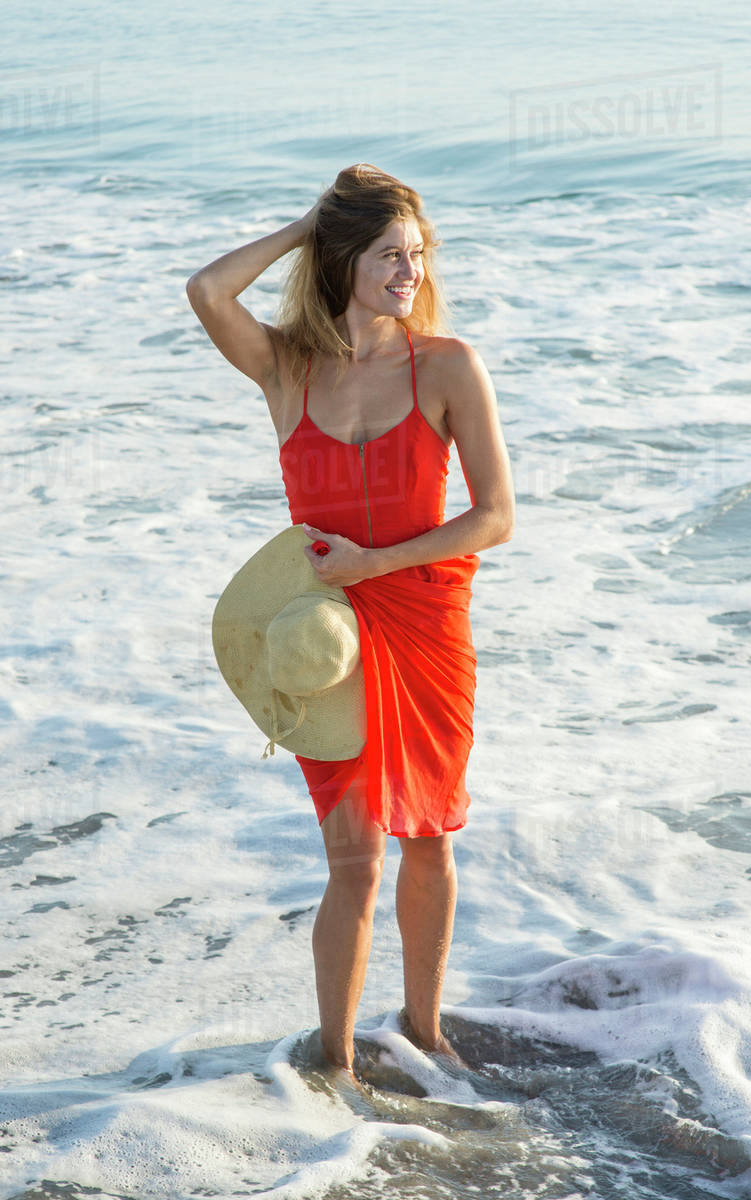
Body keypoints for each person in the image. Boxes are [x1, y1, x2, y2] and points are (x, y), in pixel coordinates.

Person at [186, 164, 514, 1080]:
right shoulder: (287, 369)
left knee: (429, 838)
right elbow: (207, 290)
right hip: (322, 638)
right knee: (355, 858)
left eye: (417, 254)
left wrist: (375, 563)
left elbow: (494, 516)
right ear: (343, 262)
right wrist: (311, 224)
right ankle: (334, 1061)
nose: (410, 272)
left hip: (423, 622)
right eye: (388, 256)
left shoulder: (446, 364)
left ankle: (426, 1030)